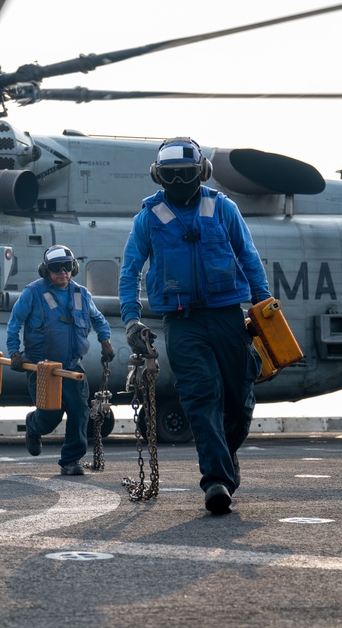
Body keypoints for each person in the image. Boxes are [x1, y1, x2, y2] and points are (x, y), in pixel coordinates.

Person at [118, 137, 270, 514]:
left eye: (186, 174)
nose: (179, 182)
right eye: (171, 176)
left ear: (201, 172)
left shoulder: (223, 209)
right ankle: (215, 480)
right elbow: (130, 270)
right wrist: (131, 319)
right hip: (182, 322)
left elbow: (247, 257)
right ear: (159, 177)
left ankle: (226, 454)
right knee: (202, 399)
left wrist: (264, 306)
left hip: (227, 315)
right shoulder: (149, 218)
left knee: (239, 400)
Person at [6, 245, 115, 476]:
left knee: (79, 413)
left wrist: (105, 341)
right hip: (42, 368)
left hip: (72, 366)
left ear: (73, 268)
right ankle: (34, 425)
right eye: (56, 268)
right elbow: (14, 323)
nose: (62, 272)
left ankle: (70, 461)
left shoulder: (82, 294)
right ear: (46, 271)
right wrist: (14, 352)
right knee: (50, 414)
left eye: (67, 267)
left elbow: (98, 320)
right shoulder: (33, 293)